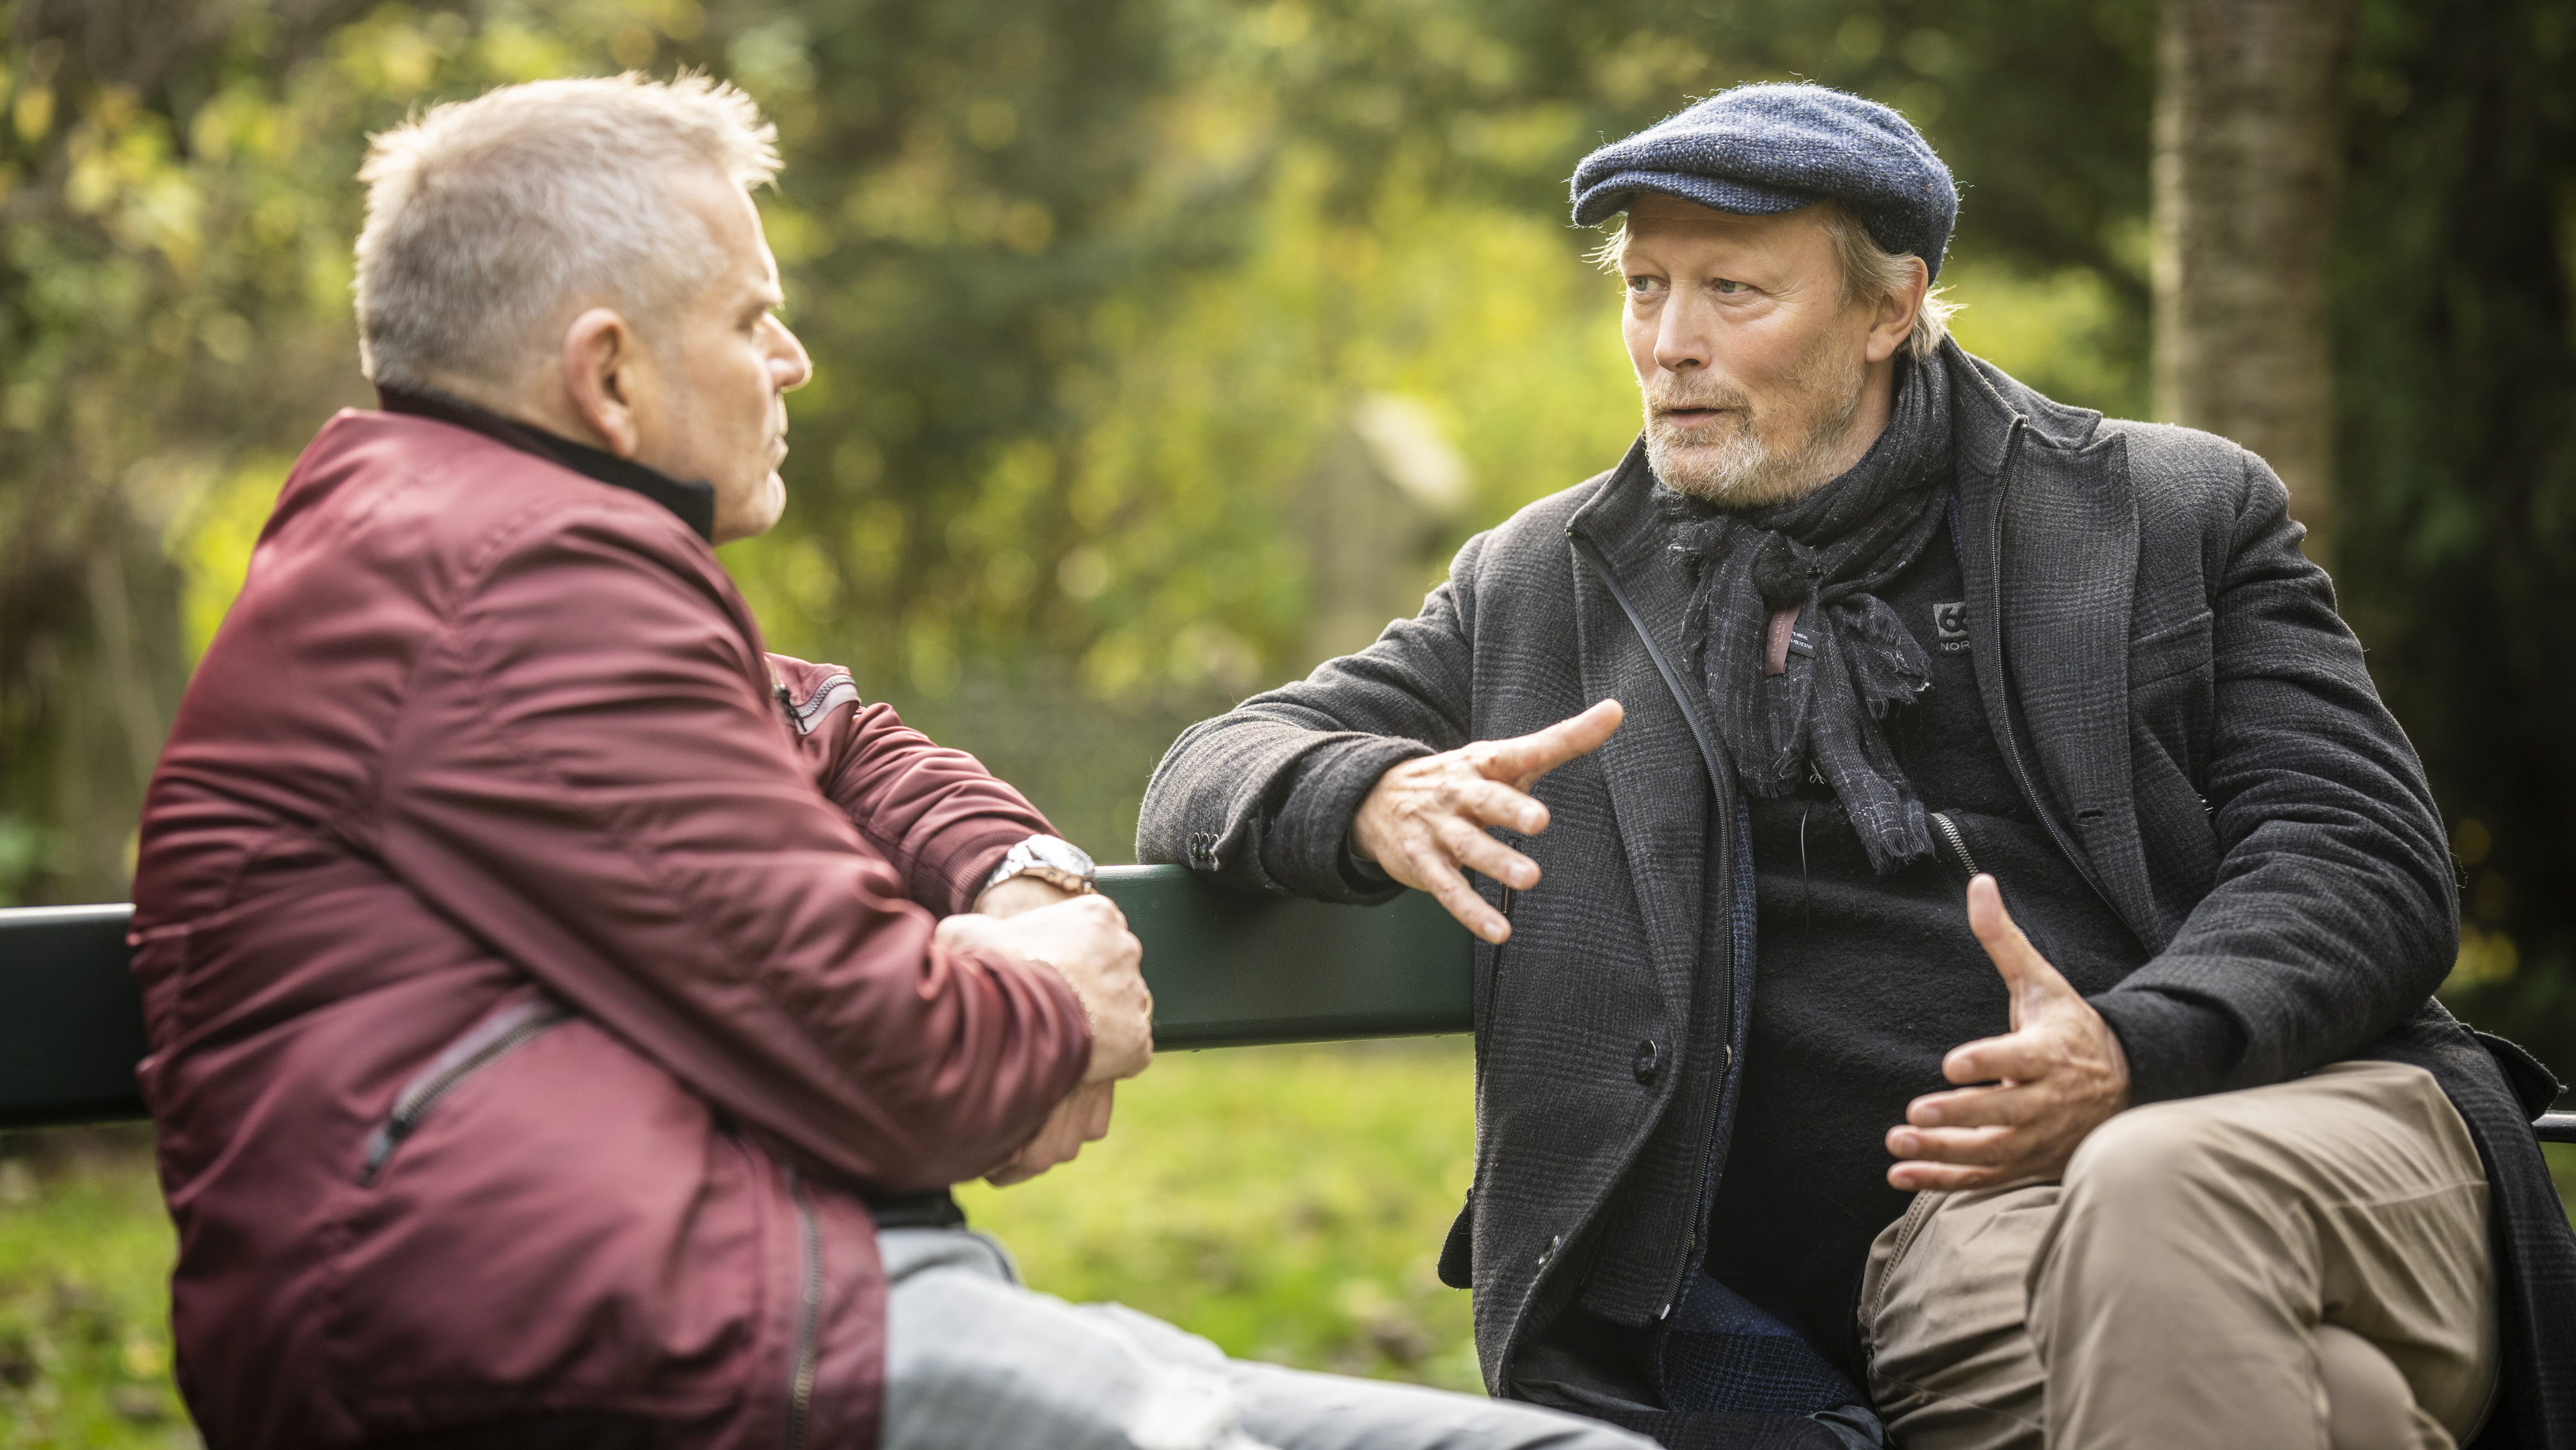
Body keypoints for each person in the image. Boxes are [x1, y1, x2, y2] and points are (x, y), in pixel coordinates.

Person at [129, 74, 1651, 1450]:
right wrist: (1051, 999)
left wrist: (1022, 876)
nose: (790, 362)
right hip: (622, 1351)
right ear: (607, 377)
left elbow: (833, 734)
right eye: (746, 319)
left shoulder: (463, 561)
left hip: (720, 1308)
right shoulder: (516, 592)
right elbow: (899, 1059)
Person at [1140, 83, 2576, 1450]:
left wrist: (2136, 1049)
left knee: (2151, 1181)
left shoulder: (2164, 514)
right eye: (1644, 287)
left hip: (2295, 1123)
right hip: (1955, 1238)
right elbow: (1215, 762)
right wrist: (1378, 791)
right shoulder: (1546, 587)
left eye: (1734, 292)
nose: (1669, 343)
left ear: (1893, 307)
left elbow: (2363, 861)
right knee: (2317, 1400)